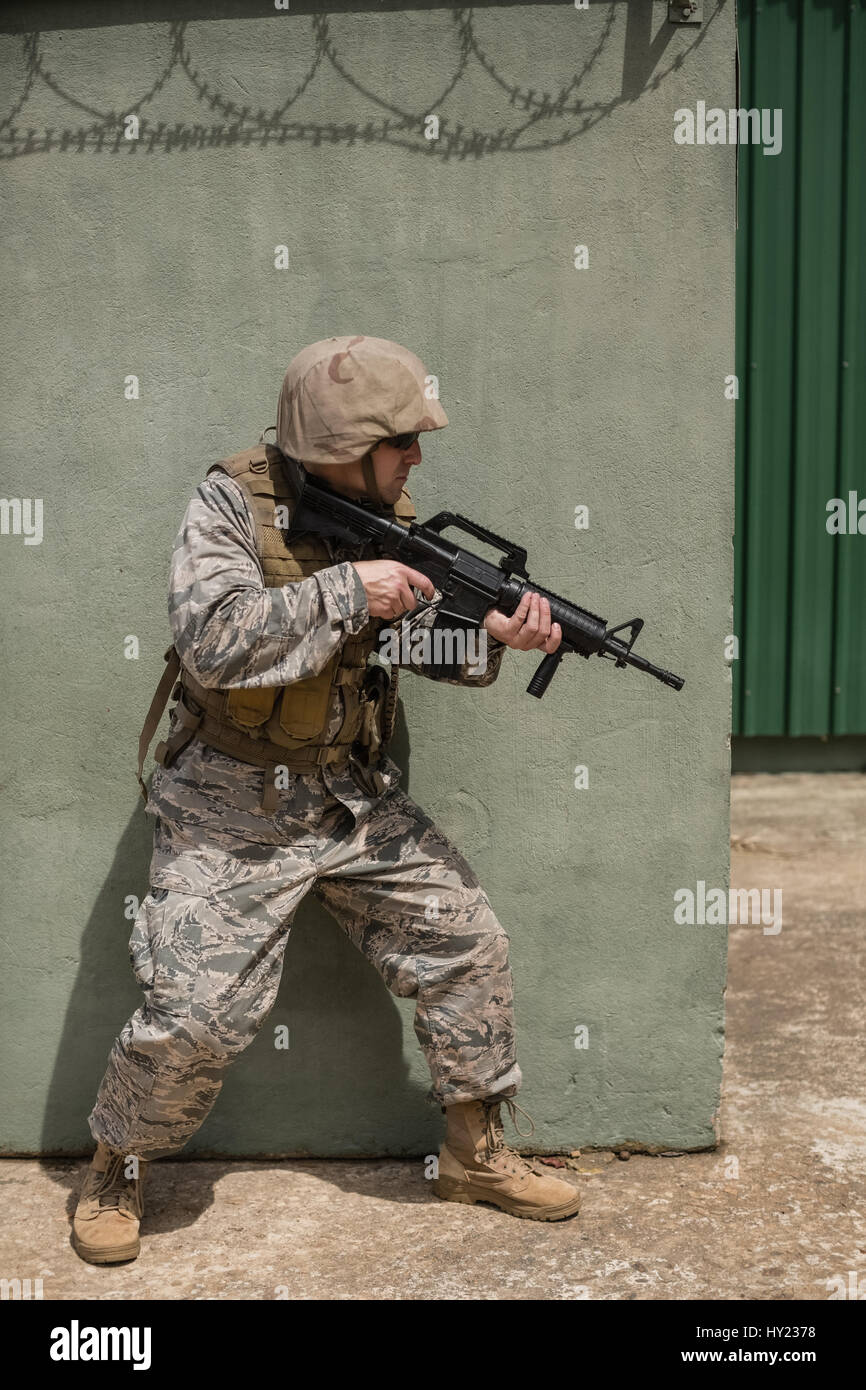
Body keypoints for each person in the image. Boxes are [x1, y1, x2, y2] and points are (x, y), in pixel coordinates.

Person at [72, 335, 581, 1266]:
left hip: (349, 790)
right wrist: (350, 590)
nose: (417, 458)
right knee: (196, 1009)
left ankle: (476, 1151)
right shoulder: (230, 503)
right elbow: (213, 644)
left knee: (467, 938)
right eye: (402, 442)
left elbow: (414, 653)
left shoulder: (392, 516)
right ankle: (119, 1164)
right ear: (343, 448)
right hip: (228, 796)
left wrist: (494, 636)